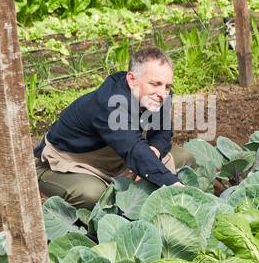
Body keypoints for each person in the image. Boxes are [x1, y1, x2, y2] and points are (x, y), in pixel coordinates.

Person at [34, 47, 190, 210]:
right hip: (70, 162)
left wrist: (154, 152)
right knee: (93, 195)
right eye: (155, 84)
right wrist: (173, 185)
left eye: (167, 86)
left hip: (118, 159)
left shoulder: (160, 96)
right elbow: (134, 149)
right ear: (132, 79)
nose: (163, 93)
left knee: (184, 158)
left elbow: (162, 133)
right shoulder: (110, 104)